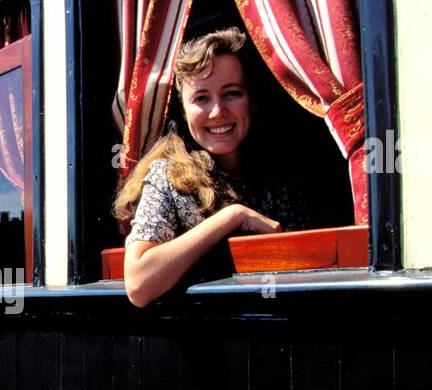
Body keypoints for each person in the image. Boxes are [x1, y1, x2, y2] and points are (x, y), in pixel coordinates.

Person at [115, 26, 314, 307]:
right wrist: (230, 217)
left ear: (251, 101)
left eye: (231, 93)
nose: (217, 111)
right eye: (201, 98)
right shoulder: (168, 175)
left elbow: (306, 265)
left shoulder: (279, 176)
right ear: (183, 111)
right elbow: (139, 284)